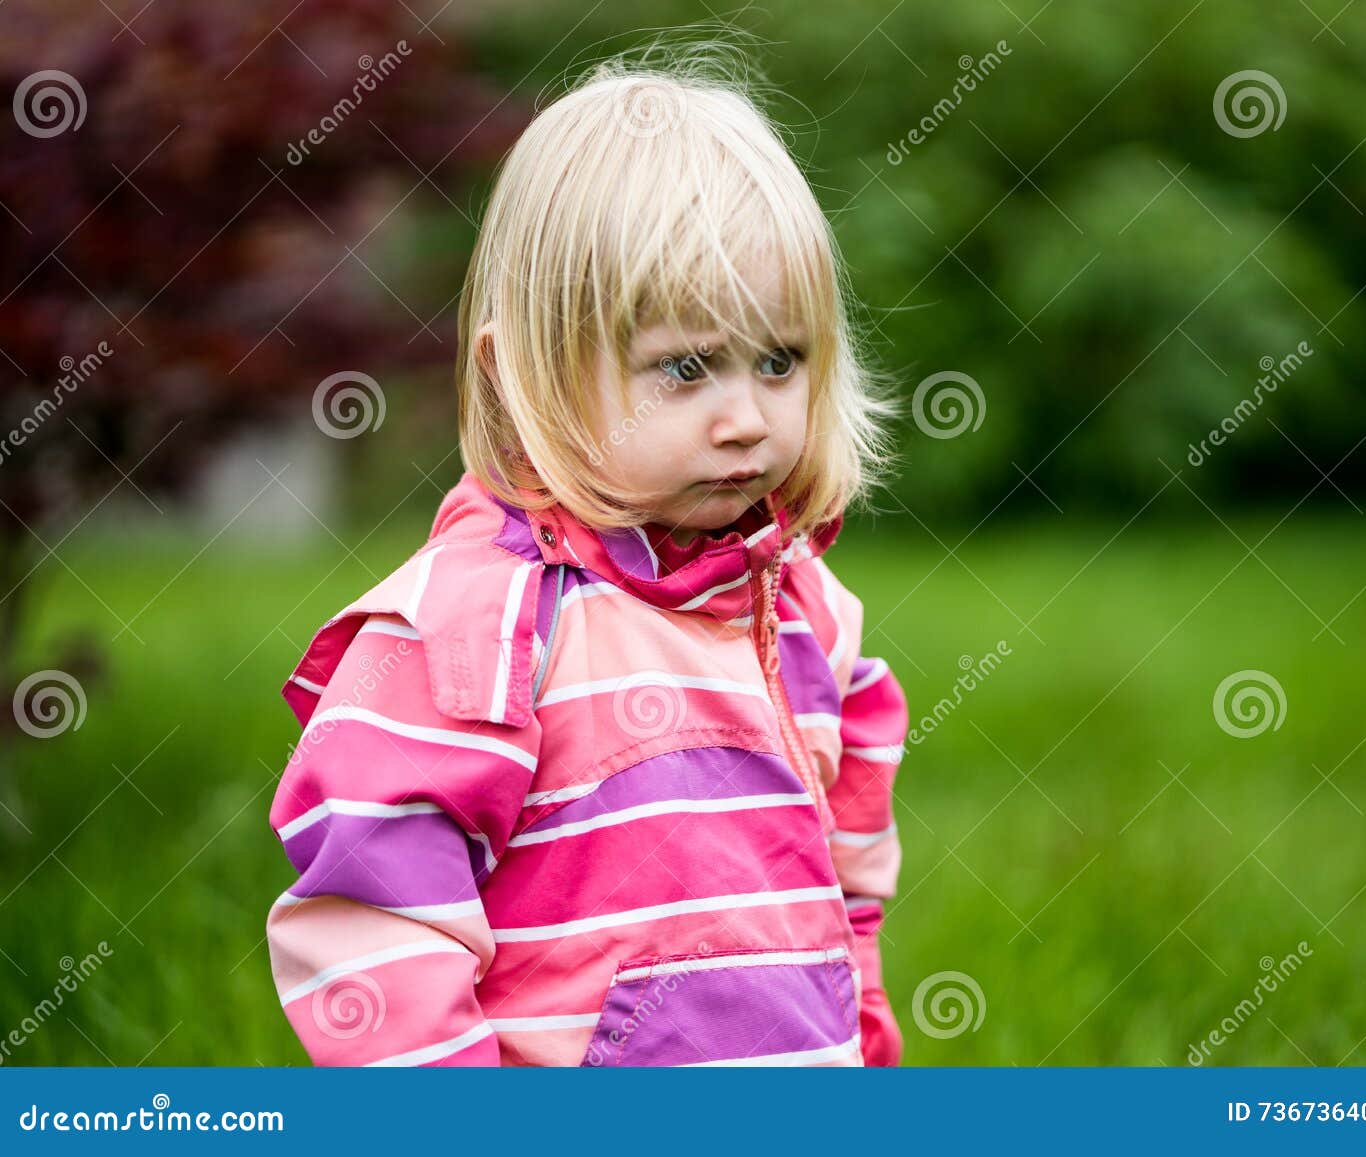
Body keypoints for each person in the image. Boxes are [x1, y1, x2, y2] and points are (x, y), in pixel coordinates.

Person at [263, 48, 911, 1067]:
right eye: (684, 367)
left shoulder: (799, 611)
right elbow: (373, 922)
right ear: (525, 374)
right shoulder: (479, 627)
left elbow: (846, 890)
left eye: (779, 359)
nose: (746, 418)